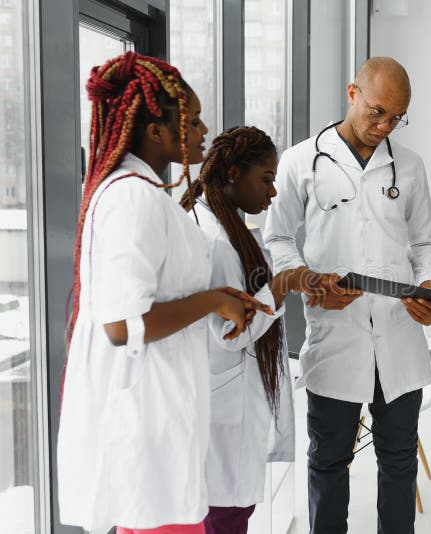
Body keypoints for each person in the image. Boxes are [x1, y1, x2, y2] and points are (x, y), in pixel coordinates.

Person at [58, 52, 265, 534]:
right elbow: (120, 325)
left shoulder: (141, 192)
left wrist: (216, 292)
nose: (202, 130)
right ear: (155, 131)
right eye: (190, 121)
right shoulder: (132, 198)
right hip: (146, 422)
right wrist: (214, 300)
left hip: (159, 417)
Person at [263, 56, 431, 534]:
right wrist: (305, 278)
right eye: (376, 111)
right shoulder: (303, 160)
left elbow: (425, 243)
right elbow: (276, 237)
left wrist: (427, 287)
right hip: (336, 335)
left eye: (396, 117)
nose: (383, 126)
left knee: (399, 462)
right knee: (328, 462)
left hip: (398, 336)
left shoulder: (410, 166)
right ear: (352, 93)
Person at [181, 126, 312, 533]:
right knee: (226, 515)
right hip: (225, 403)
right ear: (234, 172)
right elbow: (231, 332)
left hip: (222, 399)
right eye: (267, 179)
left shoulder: (212, 223)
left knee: (224, 510)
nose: (272, 193)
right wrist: (281, 285)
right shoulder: (216, 241)